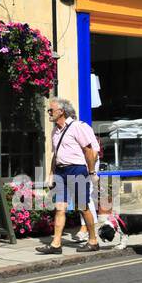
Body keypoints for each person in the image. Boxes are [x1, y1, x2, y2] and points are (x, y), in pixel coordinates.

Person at [37, 98, 100, 255]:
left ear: (61, 112)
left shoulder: (77, 127)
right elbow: (55, 154)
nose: (49, 113)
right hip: (60, 171)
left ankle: (93, 240)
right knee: (60, 208)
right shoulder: (55, 131)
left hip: (76, 170)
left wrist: (92, 173)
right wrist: (51, 173)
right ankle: (56, 244)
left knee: (82, 207)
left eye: (51, 110)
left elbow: (89, 151)